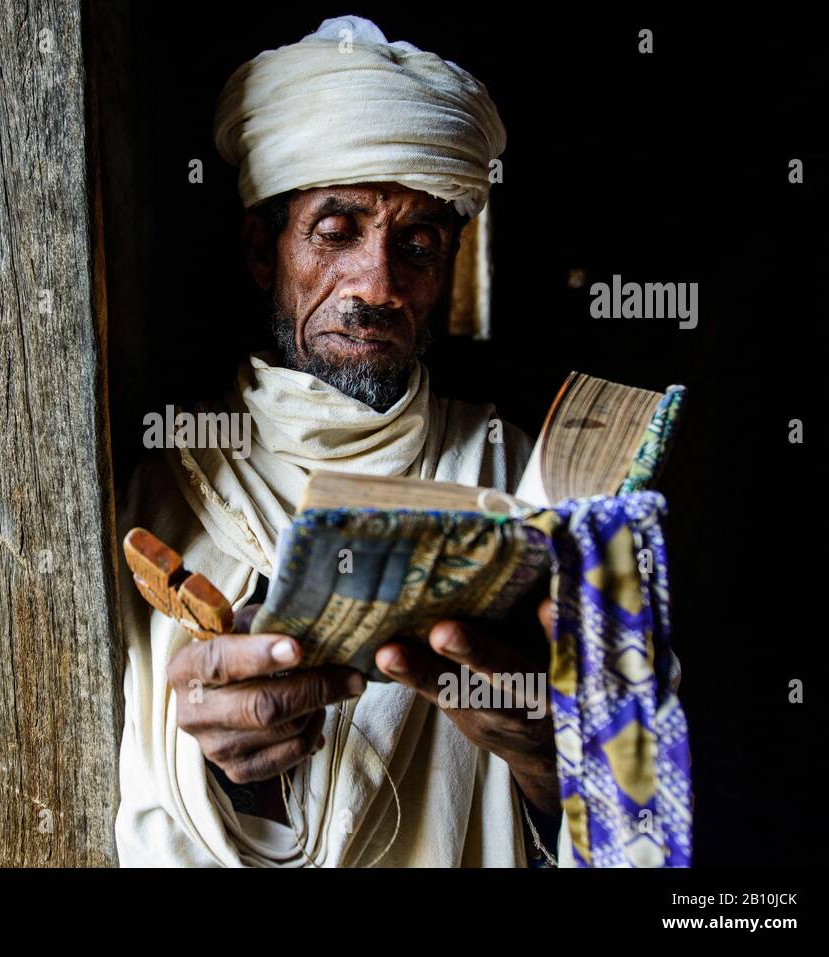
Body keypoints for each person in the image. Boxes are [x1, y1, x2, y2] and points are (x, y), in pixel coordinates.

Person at [115, 15, 561, 867]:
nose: (378, 285)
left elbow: (639, 801)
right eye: (336, 229)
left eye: (417, 244)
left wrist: (545, 758)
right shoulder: (164, 490)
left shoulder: (521, 472)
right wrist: (239, 777)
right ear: (262, 247)